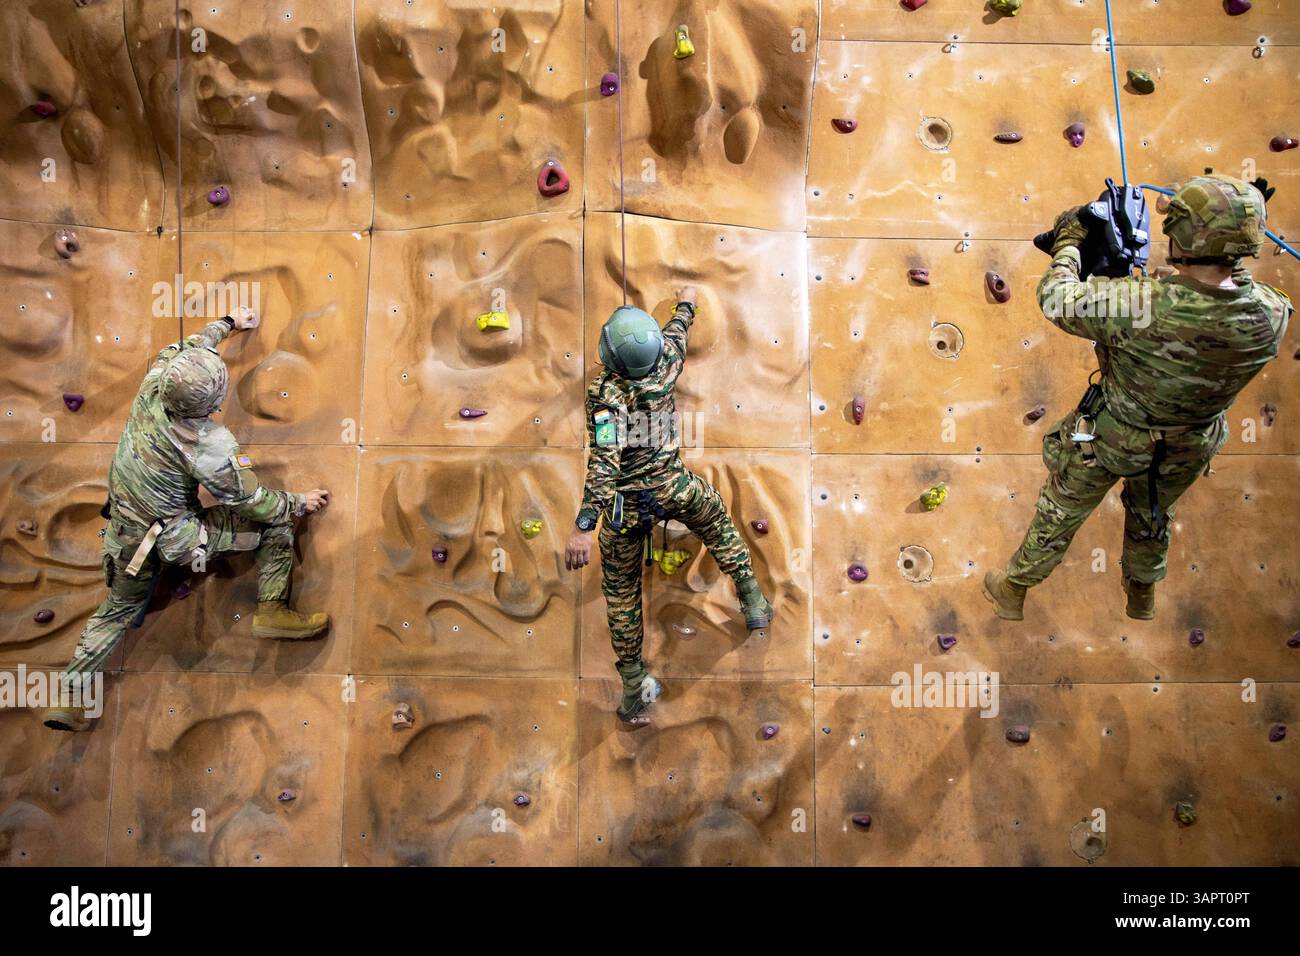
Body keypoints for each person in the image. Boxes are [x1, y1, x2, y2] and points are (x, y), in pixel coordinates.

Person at [984, 174, 1291, 621]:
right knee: (1152, 515)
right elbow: (1226, 285)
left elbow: (1057, 298)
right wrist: (1239, 226)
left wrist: (1068, 242)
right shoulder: (1271, 313)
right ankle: (1141, 592)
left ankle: (1013, 587)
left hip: (1114, 438)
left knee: (1063, 507)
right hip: (1189, 444)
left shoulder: (1139, 304)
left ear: (1181, 235)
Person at [43, 306, 332, 732]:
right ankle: (272, 609)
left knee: (117, 610)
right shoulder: (206, 445)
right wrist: (297, 502)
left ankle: (68, 696)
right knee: (275, 525)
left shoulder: (154, 386)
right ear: (212, 402)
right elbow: (251, 500)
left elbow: (187, 347)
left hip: (125, 535)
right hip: (179, 537)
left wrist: (228, 324)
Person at [565, 287, 773, 723]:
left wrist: (584, 526)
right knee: (716, 520)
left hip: (626, 507)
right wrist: (687, 303)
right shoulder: (665, 362)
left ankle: (634, 685)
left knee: (621, 593)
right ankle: (752, 599)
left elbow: (606, 461)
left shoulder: (606, 393)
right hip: (672, 485)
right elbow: (677, 334)